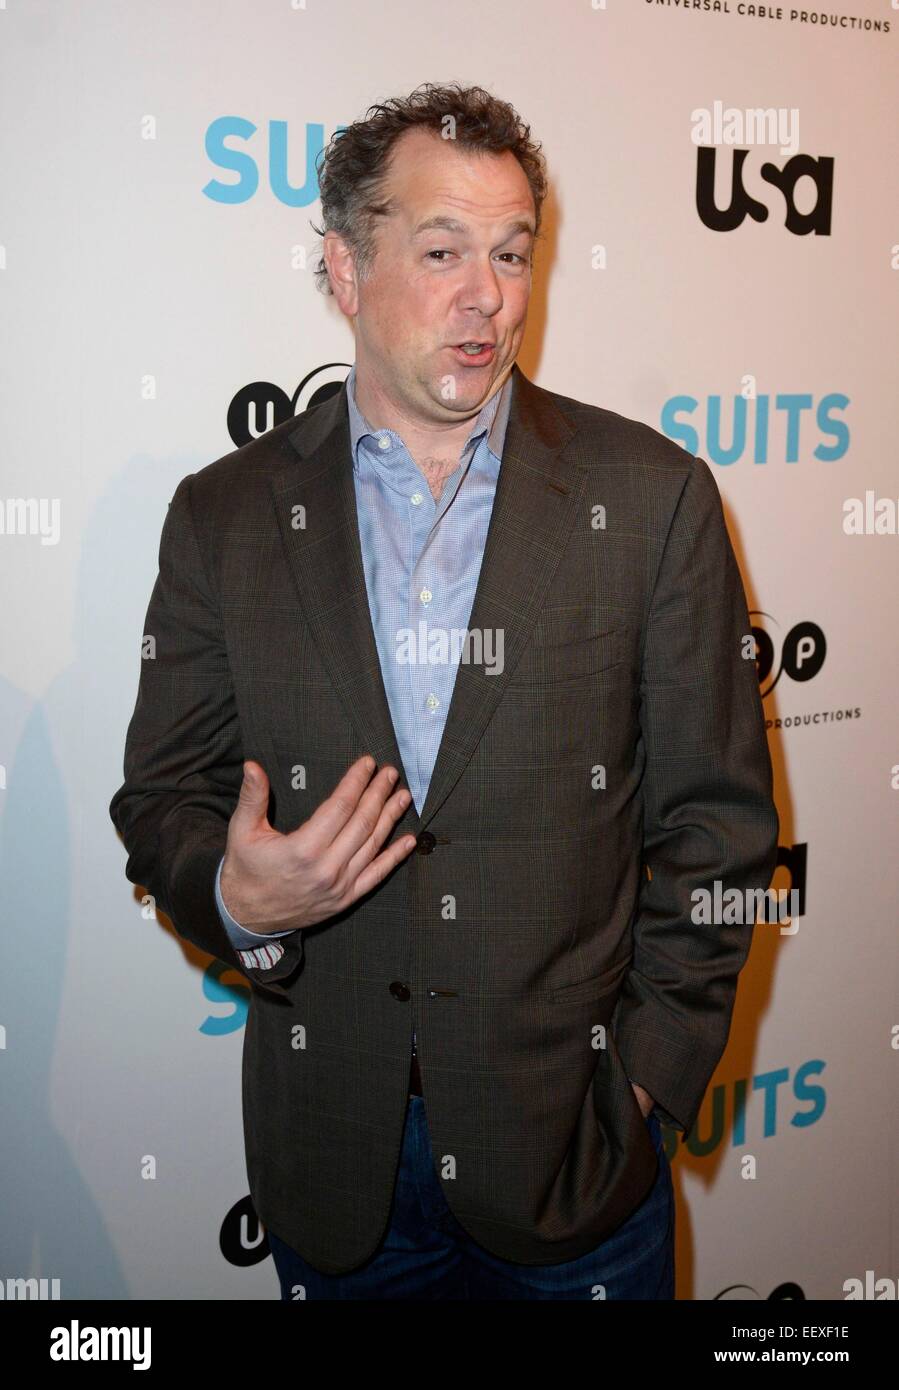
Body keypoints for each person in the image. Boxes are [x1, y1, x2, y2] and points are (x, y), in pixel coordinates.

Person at [109, 82, 779, 1300]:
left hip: (576, 1163)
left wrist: (643, 1081)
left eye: (512, 252)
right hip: (336, 1166)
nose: (489, 294)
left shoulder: (649, 496)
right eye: (441, 250)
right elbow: (163, 797)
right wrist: (234, 891)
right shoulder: (225, 516)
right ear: (343, 270)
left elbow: (718, 834)